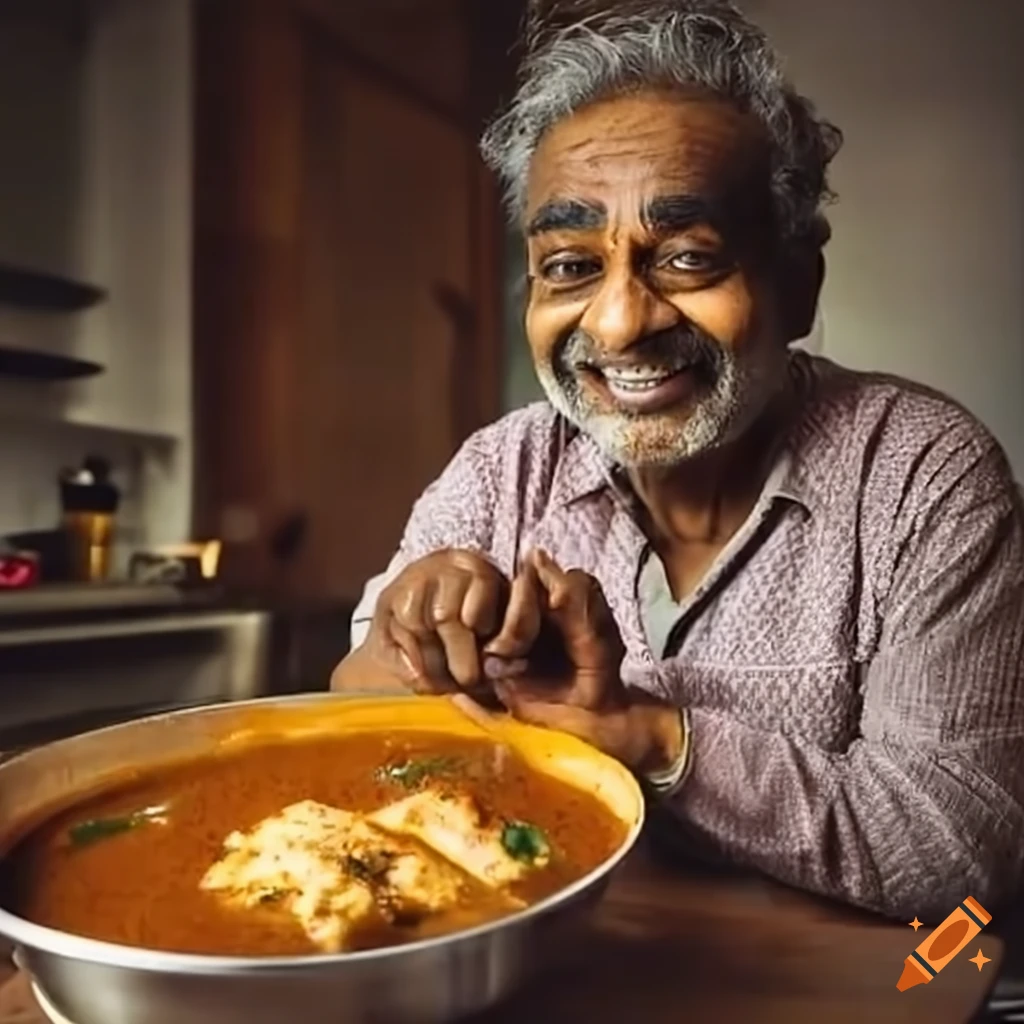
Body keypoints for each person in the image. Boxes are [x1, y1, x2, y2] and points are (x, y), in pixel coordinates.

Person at [332, 0, 1024, 923]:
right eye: (571, 265)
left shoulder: (924, 476)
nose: (619, 324)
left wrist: (650, 736)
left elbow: (958, 848)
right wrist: (407, 637)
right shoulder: (502, 467)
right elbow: (350, 708)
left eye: (690, 257)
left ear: (797, 282)